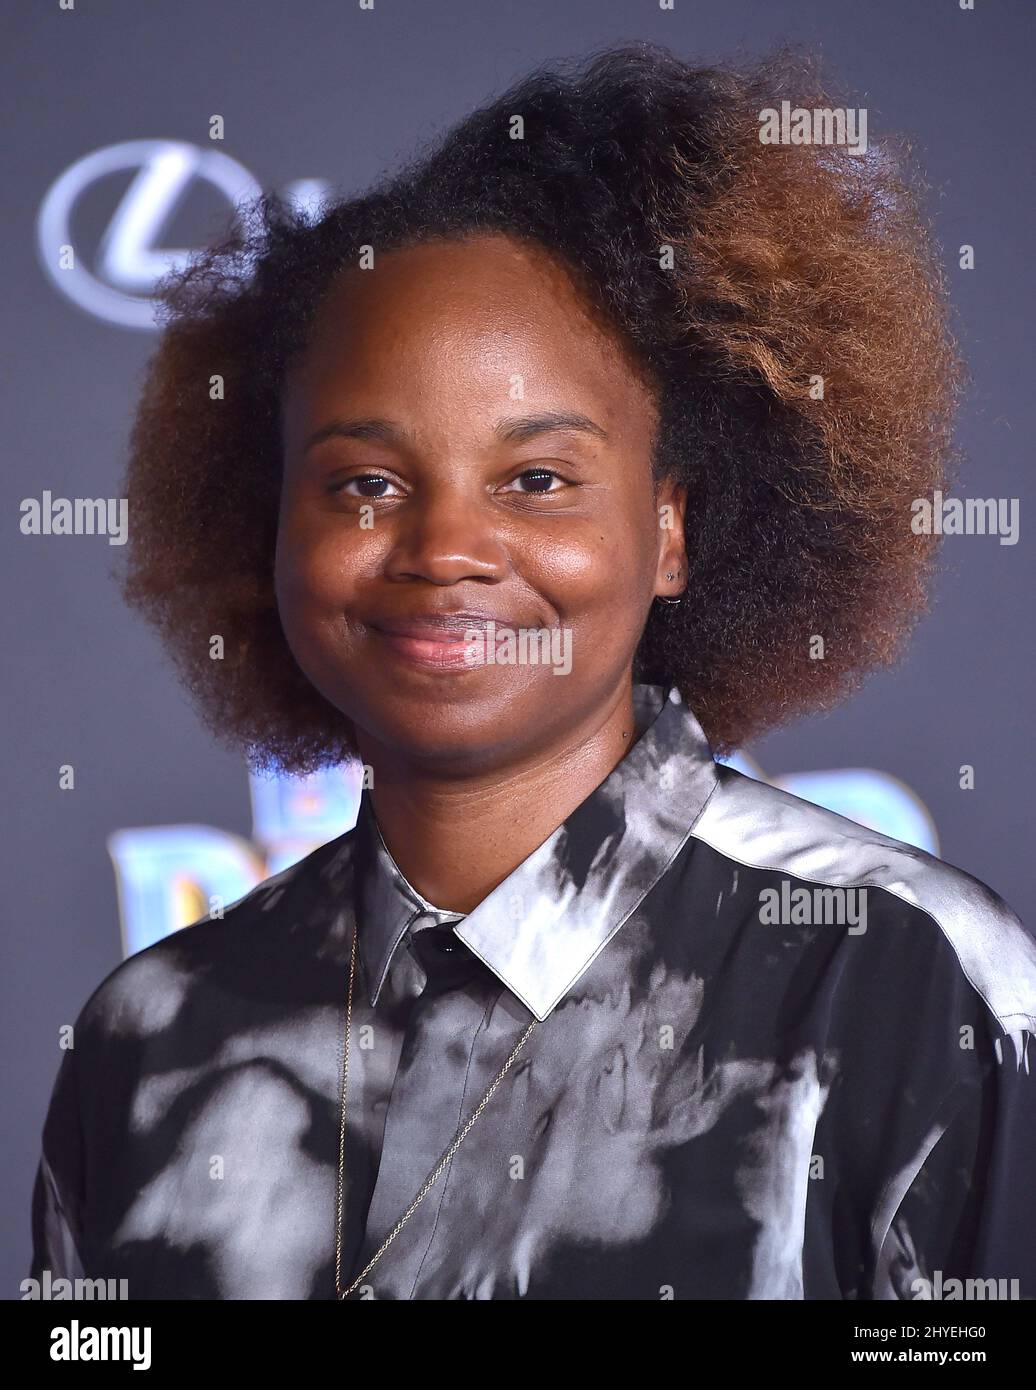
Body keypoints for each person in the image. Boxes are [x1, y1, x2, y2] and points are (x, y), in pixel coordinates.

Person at [30, 42, 1036, 1300]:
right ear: (268, 523)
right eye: (366, 483)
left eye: (537, 479)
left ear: (669, 528)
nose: (446, 547)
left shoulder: (903, 978)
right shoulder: (147, 1031)